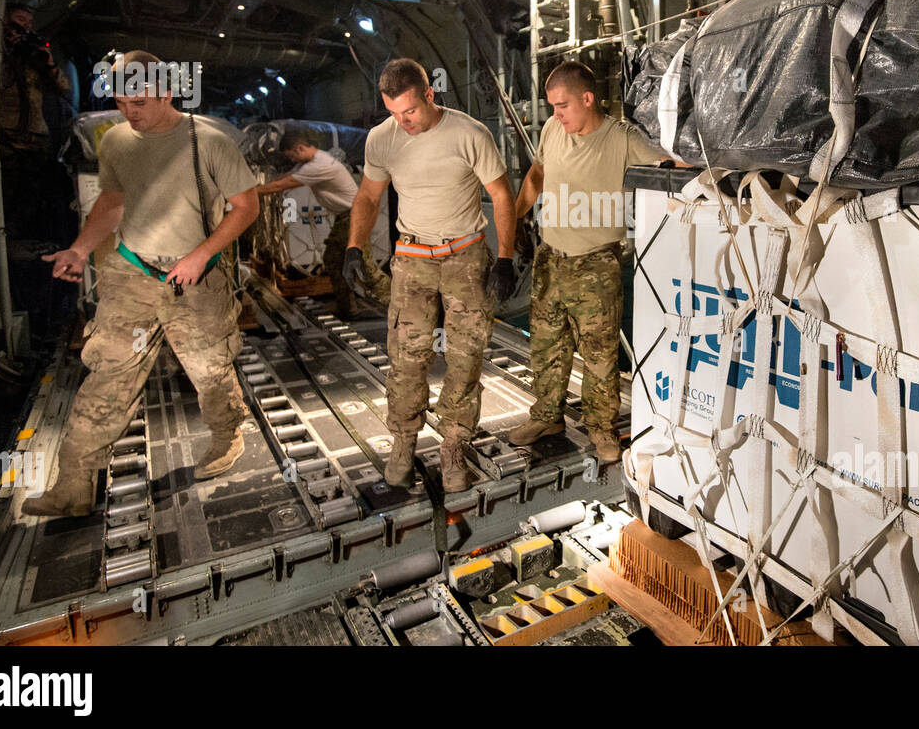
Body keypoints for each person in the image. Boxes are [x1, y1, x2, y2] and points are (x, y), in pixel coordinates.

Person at [24, 51, 261, 517]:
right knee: (106, 375)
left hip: (193, 277)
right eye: (121, 101)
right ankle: (73, 483)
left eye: (140, 101)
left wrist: (201, 254)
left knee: (210, 371)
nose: (130, 111)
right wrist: (78, 247)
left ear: (167, 92)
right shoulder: (114, 141)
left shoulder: (208, 141)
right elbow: (112, 202)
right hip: (131, 273)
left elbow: (246, 207)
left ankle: (227, 435)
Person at [345, 58, 517, 492]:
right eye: (393, 113)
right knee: (406, 357)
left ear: (429, 95)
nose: (402, 123)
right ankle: (403, 443)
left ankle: (454, 446)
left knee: (465, 356)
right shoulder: (381, 140)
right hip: (413, 257)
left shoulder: (469, 133)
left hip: (464, 255)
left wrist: (506, 257)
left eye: (410, 112)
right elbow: (368, 196)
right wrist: (353, 247)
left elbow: (500, 193)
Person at [509, 61, 674, 463]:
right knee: (547, 347)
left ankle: (601, 430)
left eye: (562, 105)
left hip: (596, 263)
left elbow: (671, 165)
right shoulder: (552, 130)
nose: (556, 114)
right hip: (551, 258)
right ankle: (546, 416)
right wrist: (513, 220)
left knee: (599, 356)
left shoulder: (622, 137)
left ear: (587, 98)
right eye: (552, 106)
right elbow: (536, 174)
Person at [254, 129, 392, 317]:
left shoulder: (318, 165)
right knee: (334, 260)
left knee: (365, 267)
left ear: (300, 148)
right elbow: (283, 177)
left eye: (292, 155)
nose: (292, 160)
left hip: (355, 216)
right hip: (345, 217)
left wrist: (247, 194)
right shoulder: (310, 161)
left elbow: (280, 186)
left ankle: (400, 305)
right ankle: (347, 308)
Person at [0, 2, 72, 242]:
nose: (25, 27)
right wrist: (8, 51)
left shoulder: (34, 57)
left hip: (36, 133)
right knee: (6, 188)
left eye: (29, 23)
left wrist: (46, 61)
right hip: (7, 131)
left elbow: (63, 88)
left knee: (33, 191)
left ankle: (23, 236)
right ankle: (2, 235)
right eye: (20, 20)